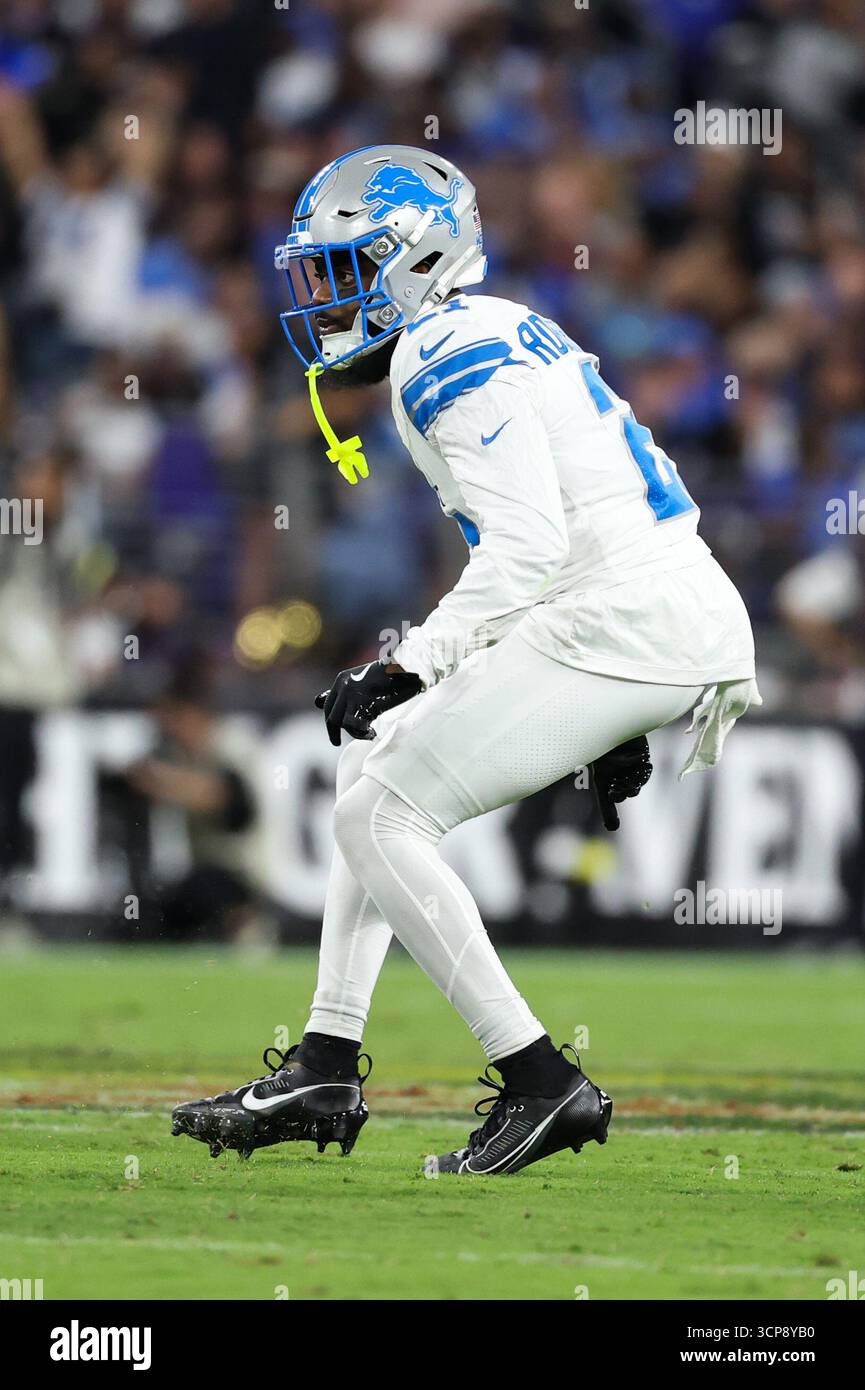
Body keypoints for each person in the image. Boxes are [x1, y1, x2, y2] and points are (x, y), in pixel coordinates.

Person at [173, 146, 759, 1174]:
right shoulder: (486, 326)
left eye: (346, 268)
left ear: (416, 258)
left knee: (378, 815)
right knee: (374, 755)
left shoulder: (441, 348)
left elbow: (527, 546)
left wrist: (410, 663)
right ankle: (325, 1060)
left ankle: (539, 1078)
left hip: (625, 615)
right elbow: (579, 520)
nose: (325, 296)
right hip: (634, 607)